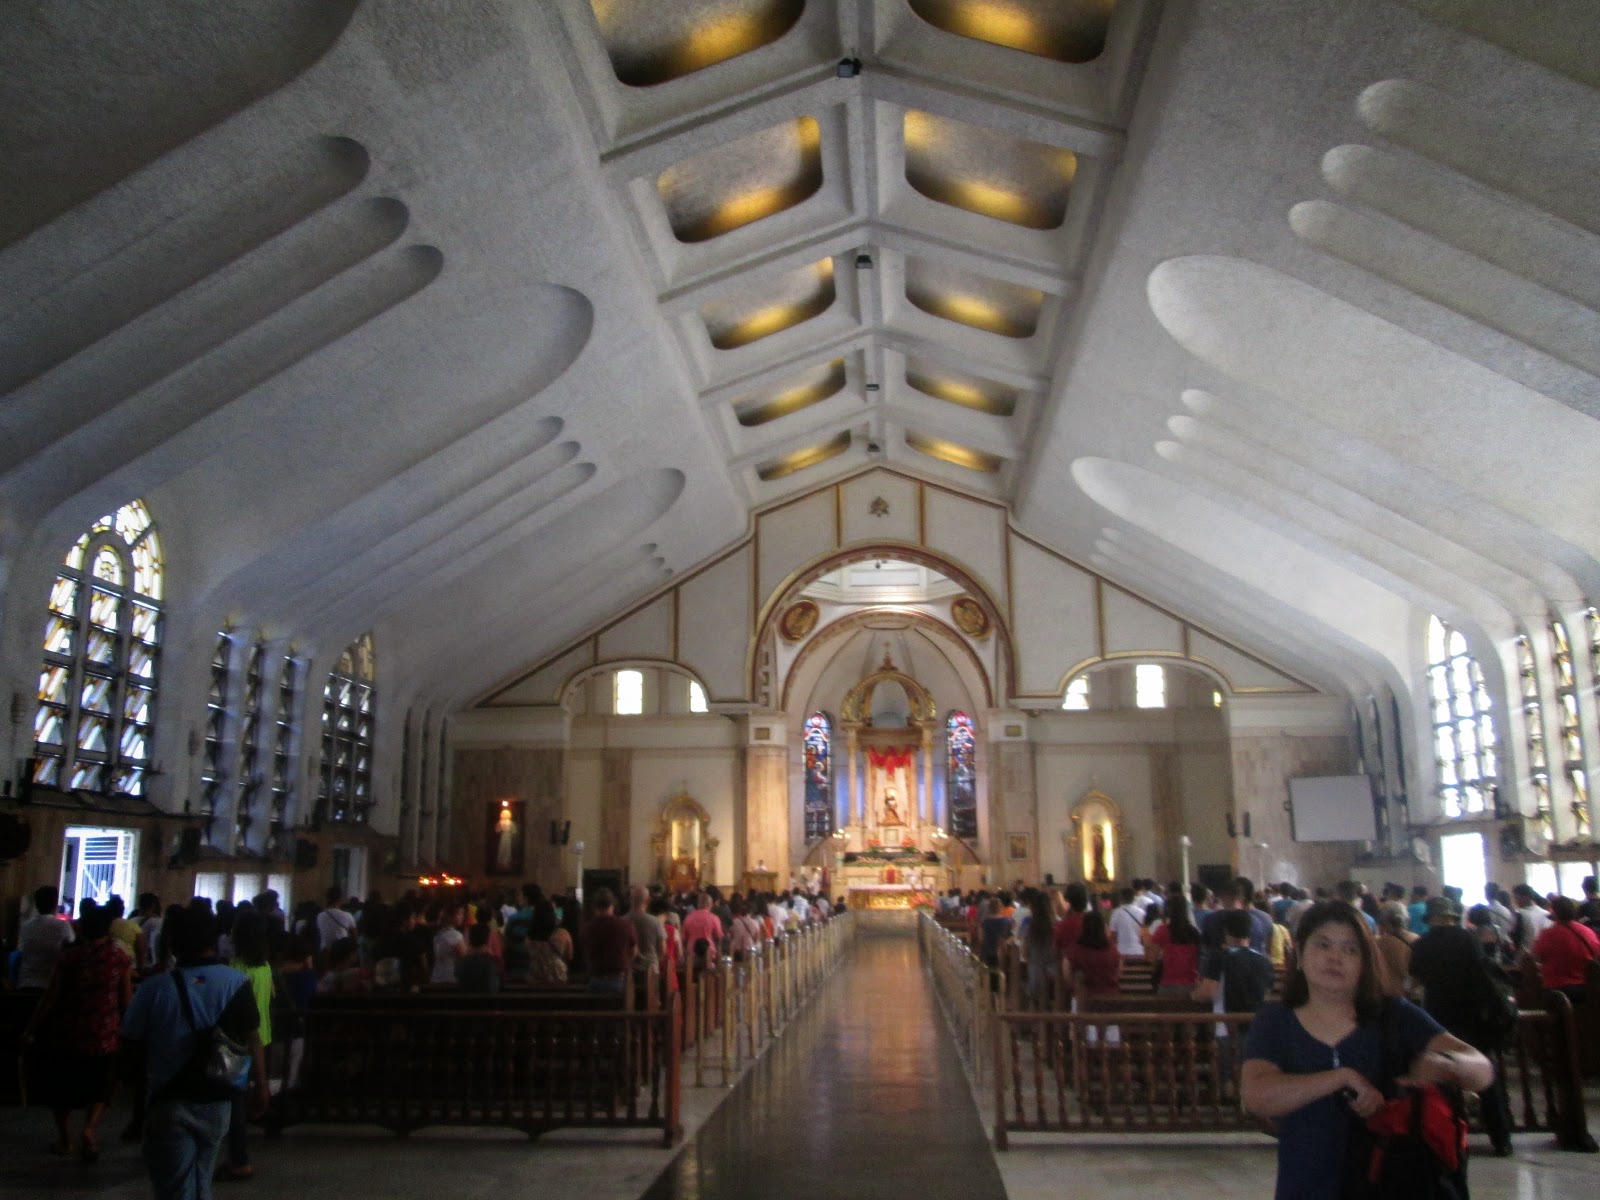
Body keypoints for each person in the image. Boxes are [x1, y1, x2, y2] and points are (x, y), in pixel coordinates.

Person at [1242, 901, 1494, 1199]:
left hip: (1390, 1186)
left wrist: (1445, 1063)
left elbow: (1482, 1068)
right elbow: (1256, 1097)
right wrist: (1341, 1077)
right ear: (1299, 952)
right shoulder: (1276, 1021)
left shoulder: (1393, 1016)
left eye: (1350, 950)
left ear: (1364, 962)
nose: (1335, 957)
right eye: (1323, 945)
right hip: (1305, 1186)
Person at [120, 906, 269, 1200]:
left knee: (176, 1185)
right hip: (218, 1097)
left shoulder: (154, 988)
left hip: (170, 1096)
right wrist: (261, 1085)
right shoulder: (235, 982)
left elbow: (129, 1039)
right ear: (214, 941)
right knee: (202, 1176)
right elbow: (253, 1037)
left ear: (173, 943)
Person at [20, 899, 133, 1161]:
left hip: (68, 1032)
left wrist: (31, 1028)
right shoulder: (119, 958)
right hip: (105, 1033)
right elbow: (126, 998)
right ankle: (90, 1128)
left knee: (63, 1088)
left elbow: (51, 996)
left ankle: (65, 1139)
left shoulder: (69, 956)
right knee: (100, 1085)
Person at [1408, 895, 1516, 1156]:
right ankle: (1501, 1139)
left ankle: (1446, 1136)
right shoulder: (1469, 938)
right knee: (1486, 1075)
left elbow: (1416, 976)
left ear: (1432, 919)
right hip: (1473, 1015)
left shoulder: (1423, 944)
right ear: (1452, 918)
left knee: (1443, 1077)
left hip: (1440, 1017)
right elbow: (1482, 970)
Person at [219, 911, 275, 1181]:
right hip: (264, 1037)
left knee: (235, 1102)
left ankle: (239, 1159)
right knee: (245, 1095)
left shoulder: (235, 968)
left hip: (240, 1041)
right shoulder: (265, 967)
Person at [1531, 895, 1599, 1004]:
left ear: (1553, 913)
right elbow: (1596, 953)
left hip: (1557, 990)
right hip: (1587, 989)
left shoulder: (1548, 934)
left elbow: (1537, 955)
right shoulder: (1588, 932)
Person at [17, 884, 75, 990]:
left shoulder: (26, 926)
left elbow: (20, 952)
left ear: (37, 904)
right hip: (51, 985)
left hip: (25, 983)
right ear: (55, 904)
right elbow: (73, 949)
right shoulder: (62, 926)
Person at [580, 888, 637, 994]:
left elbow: (585, 952)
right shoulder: (625, 926)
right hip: (617, 979)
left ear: (594, 906)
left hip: (594, 978)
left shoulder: (587, 927)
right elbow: (633, 952)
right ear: (613, 905)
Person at [1150, 894, 1202, 994]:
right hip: (1191, 984)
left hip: (1168, 983)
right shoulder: (1194, 932)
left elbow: (1151, 956)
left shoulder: (1163, 930)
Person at [1374, 905, 1415, 996]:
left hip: (1384, 993)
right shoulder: (1417, 940)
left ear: (1385, 923)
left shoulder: (1379, 943)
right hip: (1409, 995)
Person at [456, 922, 502, 993]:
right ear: (487, 940)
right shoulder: (492, 963)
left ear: (470, 939)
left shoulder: (461, 963)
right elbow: (495, 987)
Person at [428, 904, 467, 983]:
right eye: (459, 914)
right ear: (450, 916)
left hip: (436, 977)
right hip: (450, 978)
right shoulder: (455, 935)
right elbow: (465, 957)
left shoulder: (438, 934)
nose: (462, 917)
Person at [315, 887, 357, 955]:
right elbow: (354, 935)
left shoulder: (319, 916)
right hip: (341, 952)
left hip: (325, 952)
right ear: (341, 899)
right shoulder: (347, 916)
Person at [1108, 887, 1145, 957]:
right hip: (1139, 951)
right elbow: (1144, 935)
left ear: (1121, 898)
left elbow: (1113, 936)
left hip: (1122, 951)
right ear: (1134, 898)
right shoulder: (1142, 912)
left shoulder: (1116, 913)